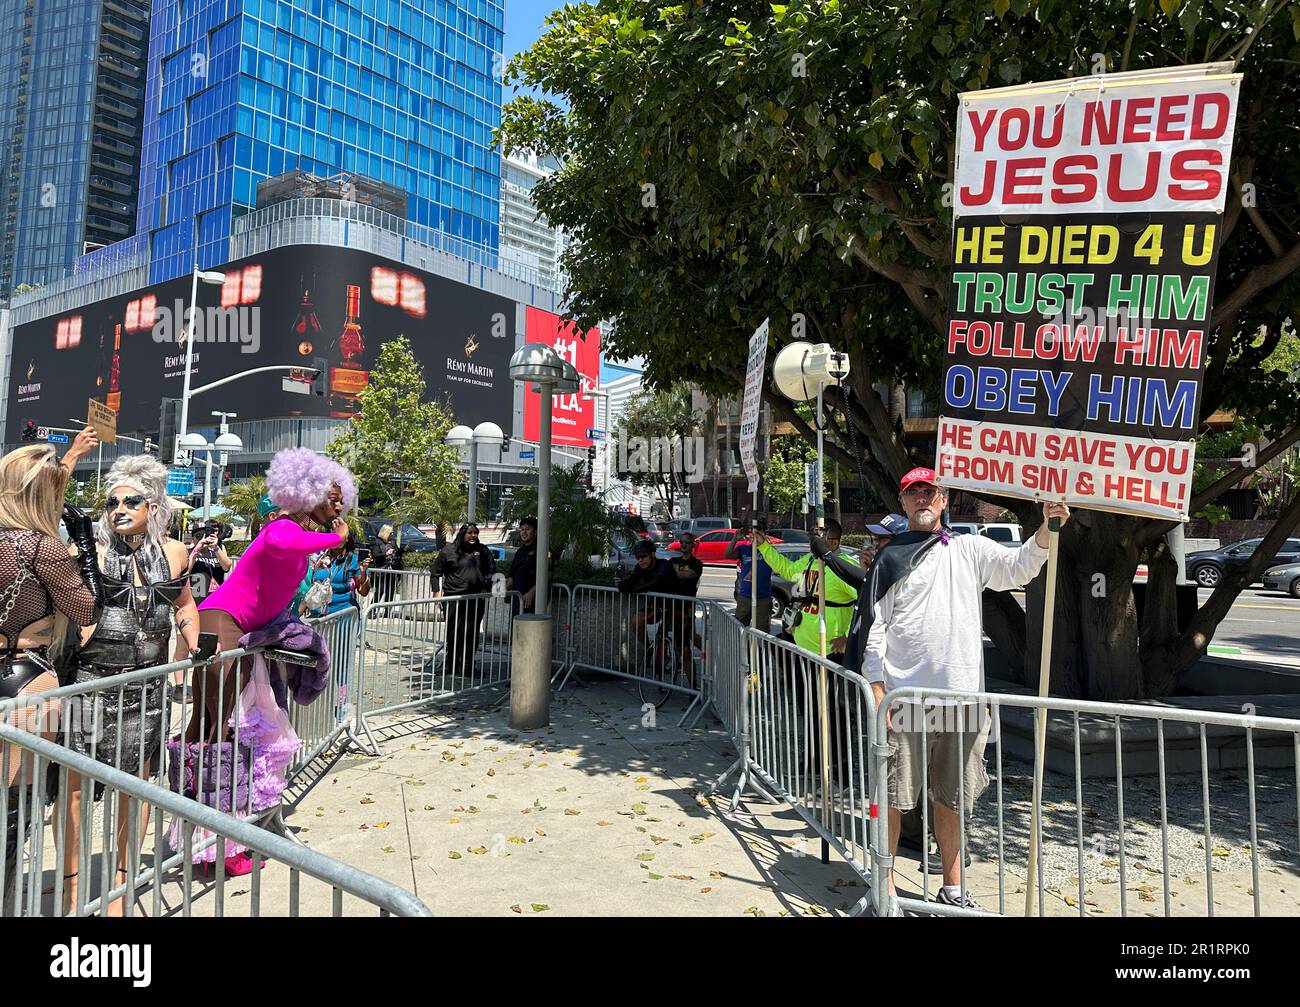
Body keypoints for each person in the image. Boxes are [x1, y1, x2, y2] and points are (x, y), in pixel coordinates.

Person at [858, 466, 1070, 910]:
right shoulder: (890, 557)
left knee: (952, 800)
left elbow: (1018, 569)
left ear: (944, 499)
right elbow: (874, 630)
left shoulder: (970, 549)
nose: (921, 499)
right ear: (902, 502)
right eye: (912, 492)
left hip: (962, 702)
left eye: (928, 492)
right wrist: (877, 688)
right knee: (893, 799)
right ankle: (887, 887)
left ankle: (953, 888)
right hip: (905, 700)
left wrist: (1047, 530)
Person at [192, 447, 352, 875]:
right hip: (221, 624)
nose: (338, 506)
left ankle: (219, 843)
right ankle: (216, 847)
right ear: (305, 494)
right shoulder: (281, 527)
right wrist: (336, 538)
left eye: (341, 499)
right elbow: (283, 544)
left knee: (224, 736)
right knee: (219, 736)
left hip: (239, 633)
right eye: (331, 497)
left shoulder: (298, 536)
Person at [62, 454, 202, 914]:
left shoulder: (175, 553)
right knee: (76, 785)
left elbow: (183, 602)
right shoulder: (89, 553)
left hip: (147, 689)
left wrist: (190, 645)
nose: (119, 508)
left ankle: (121, 890)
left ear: (154, 508)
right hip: (88, 684)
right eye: (112, 501)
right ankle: (71, 889)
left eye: (131, 501)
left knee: (137, 784)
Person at [0, 439, 102, 912]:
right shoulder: (43, 547)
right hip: (25, 680)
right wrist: (81, 549)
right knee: (13, 814)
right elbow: (85, 608)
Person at [755, 518, 859, 661]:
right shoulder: (810, 559)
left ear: (834, 542)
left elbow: (866, 602)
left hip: (829, 654)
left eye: (820, 537)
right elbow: (788, 570)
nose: (813, 541)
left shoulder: (845, 567)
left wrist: (849, 637)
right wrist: (764, 546)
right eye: (813, 536)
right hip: (801, 647)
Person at [433, 522, 495, 677]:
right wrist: (436, 593)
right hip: (454, 598)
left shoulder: (482, 550)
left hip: (476, 599)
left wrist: (486, 585)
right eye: (470, 533)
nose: (473, 536)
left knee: (472, 633)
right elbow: (435, 573)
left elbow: (492, 569)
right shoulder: (448, 550)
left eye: (475, 533)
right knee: (454, 632)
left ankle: (468, 666)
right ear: (462, 534)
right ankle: (451, 665)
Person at [725, 521, 773, 633]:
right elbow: (727, 554)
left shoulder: (769, 551)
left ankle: (761, 650)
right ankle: (743, 649)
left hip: (763, 598)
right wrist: (735, 539)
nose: (753, 535)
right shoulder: (744, 549)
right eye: (751, 532)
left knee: (762, 631)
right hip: (745, 597)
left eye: (756, 532)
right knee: (740, 628)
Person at [506, 517, 550, 613]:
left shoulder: (543, 549)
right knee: (515, 627)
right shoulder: (520, 551)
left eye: (527, 529)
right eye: (522, 529)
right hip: (517, 598)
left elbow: (547, 575)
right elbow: (512, 575)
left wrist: (532, 592)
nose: (524, 532)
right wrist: (503, 587)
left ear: (535, 531)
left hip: (532, 601)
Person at [185, 520, 233, 604]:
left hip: (217, 598)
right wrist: (197, 549)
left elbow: (227, 567)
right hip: (196, 600)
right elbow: (186, 571)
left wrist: (215, 547)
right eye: (199, 536)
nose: (203, 538)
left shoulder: (218, 549)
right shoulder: (189, 552)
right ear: (193, 538)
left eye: (206, 535)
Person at [369, 523, 404, 609]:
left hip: (391, 569)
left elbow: (397, 552)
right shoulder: (377, 542)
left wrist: (403, 550)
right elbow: (375, 555)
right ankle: (372, 610)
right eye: (390, 532)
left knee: (390, 591)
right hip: (381, 570)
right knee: (380, 590)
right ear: (385, 532)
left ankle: (387, 611)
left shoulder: (392, 542)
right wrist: (386, 553)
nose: (392, 534)